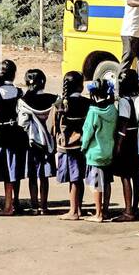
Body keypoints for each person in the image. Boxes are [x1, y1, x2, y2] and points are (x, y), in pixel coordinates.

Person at [0, 60, 26, 216]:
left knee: (6, 169)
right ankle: (15, 202)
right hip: (17, 131)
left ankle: (8, 206)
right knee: (15, 166)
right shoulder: (19, 92)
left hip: (2, 131)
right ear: (14, 74)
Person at [16, 69, 57, 215]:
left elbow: (22, 123)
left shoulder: (23, 101)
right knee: (44, 176)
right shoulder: (53, 99)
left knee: (33, 176)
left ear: (27, 83)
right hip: (47, 143)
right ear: (43, 82)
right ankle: (44, 207)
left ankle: (34, 206)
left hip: (31, 143)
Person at [80, 78, 118, 223]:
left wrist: (83, 147)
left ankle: (98, 213)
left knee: (96, 185)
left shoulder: (93, 112)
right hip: (109, 152)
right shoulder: (113, 110)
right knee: (107, 183)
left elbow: (88, 132)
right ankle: (106, 210)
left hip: (95, 154)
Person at [55, 71, 90, 222]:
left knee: (73, 180)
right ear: (81, 86)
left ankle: (73, 211)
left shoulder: (60, 103)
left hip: (67, 147)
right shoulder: (87, 103)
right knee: (79, 178)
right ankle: (79, 208)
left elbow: (55, 125)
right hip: (82, 144)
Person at [111, 68, 139, 222]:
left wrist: (118, 145)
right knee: (137, 177)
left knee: (125, 176)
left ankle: (128, 210)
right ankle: (135, 207)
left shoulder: (124, 100)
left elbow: (123, 123)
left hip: (128, 139)